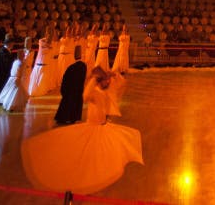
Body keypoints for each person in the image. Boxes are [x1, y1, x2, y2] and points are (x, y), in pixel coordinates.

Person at [21, 66, 143, 194]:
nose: (108, 82)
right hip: (93, 127)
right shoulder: (94, 93)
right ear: (99, 81)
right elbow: (85, 96)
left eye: (108, 80)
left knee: (117, 143)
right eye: (105, 80)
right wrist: (93, 80)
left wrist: (114, 74)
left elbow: (121, 83)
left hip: (103, 126)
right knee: (89, 152)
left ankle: (97, 169)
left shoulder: (107, 91)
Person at [54, 45, 88, 125]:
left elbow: (65, 80)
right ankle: (74, 117)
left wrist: (63, 90)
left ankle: (64, 118)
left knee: (67, 103)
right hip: (78, 90)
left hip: (70, 91)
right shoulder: (83, 66)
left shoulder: (71, 67)